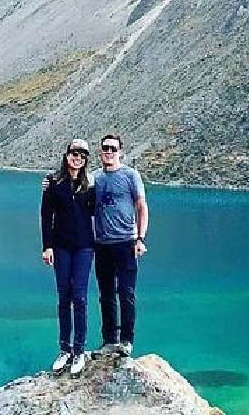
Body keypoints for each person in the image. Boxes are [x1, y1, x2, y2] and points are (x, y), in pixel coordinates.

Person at [40, 139, 96, 377]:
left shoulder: (89, 184)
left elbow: (96, 210)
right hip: (61, 247)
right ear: (67, 155)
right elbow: (46, 216)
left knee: (80, 297)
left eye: (82, 155)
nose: (78, 158)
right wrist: (47, 246)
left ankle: (79, 350)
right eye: (74, 153)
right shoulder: (53, 183)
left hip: (84, 247)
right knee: (64, 297)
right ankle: (65, 349)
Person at [92, 132, 148, 356]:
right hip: (102, 244)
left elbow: (141, 207)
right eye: (105, 148)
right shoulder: (94, 178)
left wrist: (140, 238)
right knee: (106, 295)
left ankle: (126, 340)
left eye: (113, 148)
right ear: (100, 152)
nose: (109, 152)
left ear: (120, 152)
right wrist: (50, 183)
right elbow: (73, 191)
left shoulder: (130, 175)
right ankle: (109, 341)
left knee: (126, 293)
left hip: (126, 243)